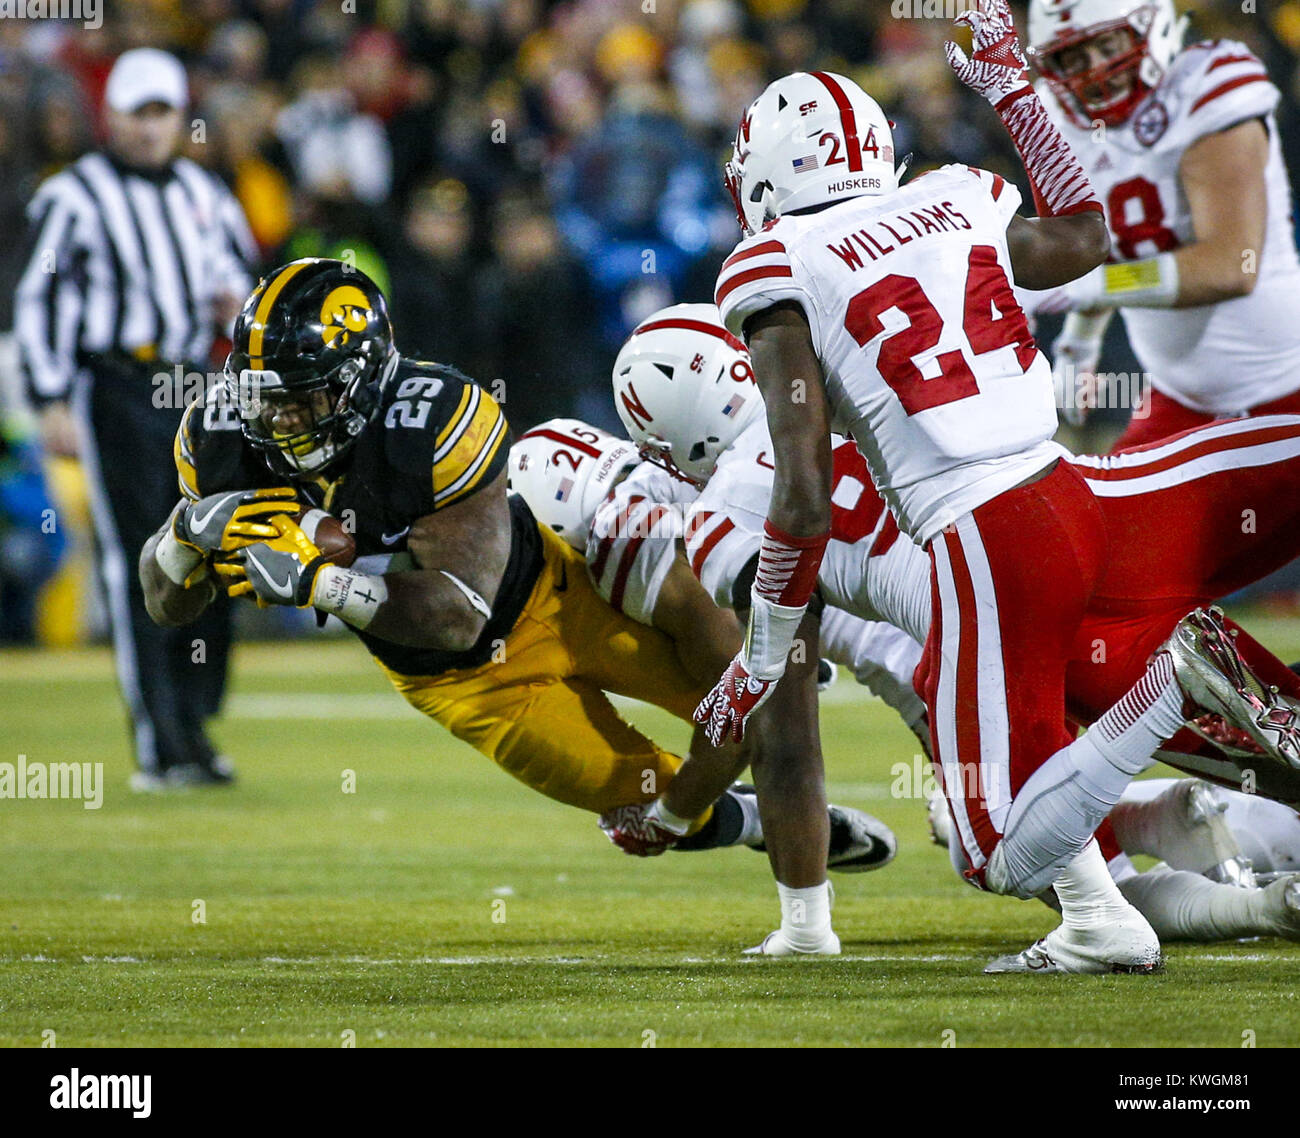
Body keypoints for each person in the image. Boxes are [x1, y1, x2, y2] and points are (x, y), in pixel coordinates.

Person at [697, 1, 1299, 969]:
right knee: (1016, 784)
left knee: (992, 845)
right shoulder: (957, 196)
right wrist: (1012, 90)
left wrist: (759, 658)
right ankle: (1104, 927)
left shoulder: (773, 262)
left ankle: (1164, 691)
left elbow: (802, 493)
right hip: (1067, 489)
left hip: (982, 532)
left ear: (769, 169)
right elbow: (1085, 234)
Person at [137, 258, 887, 884]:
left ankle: (897, 813)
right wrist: (180, 538)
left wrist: (320, 583)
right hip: (456, 678)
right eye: (266, 398)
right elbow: (165, 604)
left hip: (559, 592)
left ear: (360, 383)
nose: (281, 422)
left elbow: (461, 607)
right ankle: (757, 823)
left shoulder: (431, 416)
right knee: (640, 807)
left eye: (303, 400)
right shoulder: (221, 439)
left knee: (754, 710)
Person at [14, 48, 257, 787]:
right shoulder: (75, 196)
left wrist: (236, 308)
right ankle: (161, 742)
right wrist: (50, 394)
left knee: (217, 549)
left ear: (181, 118)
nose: (150, 128)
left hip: (199, 387)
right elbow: (38, 300)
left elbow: (248, 280)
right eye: (136, 112)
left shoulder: (203, 191)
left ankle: (197, 720)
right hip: (118, 384)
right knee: (140, 559)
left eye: (162, 112)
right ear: (110, 115)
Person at [1023, 0, 1300, 447]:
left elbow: (1232, 268)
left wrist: (1082, 290)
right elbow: (1102, 243)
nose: (1094, 72)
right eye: (1072, 56)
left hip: (1285, 388)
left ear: (1150, 28)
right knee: (1111, 514)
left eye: (1107, 44)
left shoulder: (1210, 84)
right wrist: (1079, 342)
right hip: (1179, 396)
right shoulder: (1056, 115)